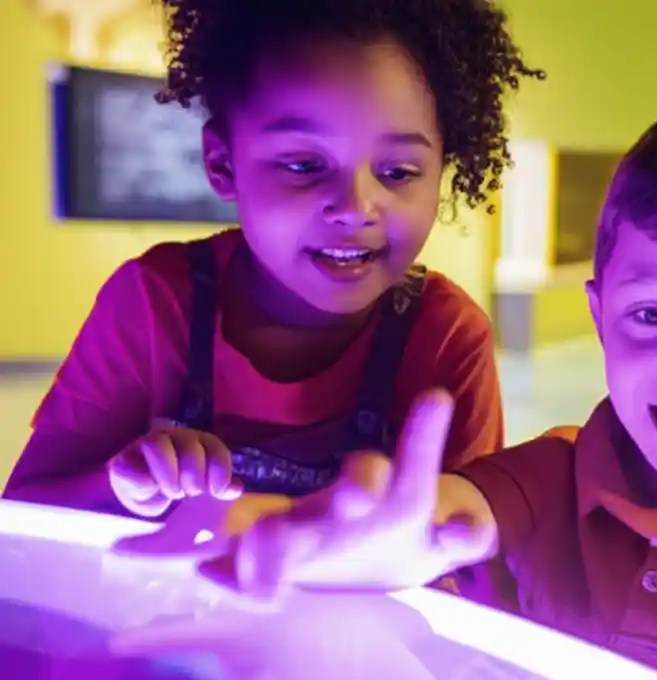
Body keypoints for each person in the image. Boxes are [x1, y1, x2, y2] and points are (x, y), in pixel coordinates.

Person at [153, 100, 657, 680]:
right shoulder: (554, 471)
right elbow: (440, 523)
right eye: (652, 316)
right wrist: (358, 546)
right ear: (599, 316)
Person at [5, 0, 541, 519]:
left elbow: (473, 566)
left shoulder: (446, 336)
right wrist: (125, 486)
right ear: (222, 163)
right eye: (305, 164)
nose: (356, 208)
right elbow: (28, 512)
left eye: (398, 172)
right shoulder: (153, 302)